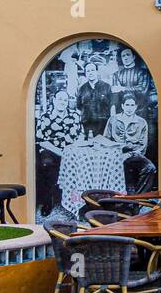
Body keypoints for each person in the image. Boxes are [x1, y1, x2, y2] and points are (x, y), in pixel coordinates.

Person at [35, 88, 83, 216]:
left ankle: (75, 203)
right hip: (50, 150)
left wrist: (72, 151)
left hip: (71, 150)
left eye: (65, 100)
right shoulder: (45, 117)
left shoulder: (74, 115)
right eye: (60, 99)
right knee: (48, 165)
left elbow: (80, 136)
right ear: (54, 100)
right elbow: (41, 140)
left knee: (82, 165)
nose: (62, 102)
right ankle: (48, 202)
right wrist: (61, 153)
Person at [104, 93, 156, 192]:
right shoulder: (113, 120)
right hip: (115, 154)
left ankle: (137, 198)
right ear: (122, 106)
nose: (129, 108)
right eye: (127, 105)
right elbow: (106, 139)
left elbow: (142, 146)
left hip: (134, 155)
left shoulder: (141, 122)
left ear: (136, 107)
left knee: (150, 168)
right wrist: (115, 152)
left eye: (132, 105)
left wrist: (129, 155)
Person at [75, 58, 113, 139]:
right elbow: (78, 107)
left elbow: (112, 106)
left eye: (92, 70)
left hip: (103, 123)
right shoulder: (82, 88)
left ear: (97, 72)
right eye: (88, 71)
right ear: (85, 73)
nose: (90, 73)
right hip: (87, 124)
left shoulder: (107, 87)